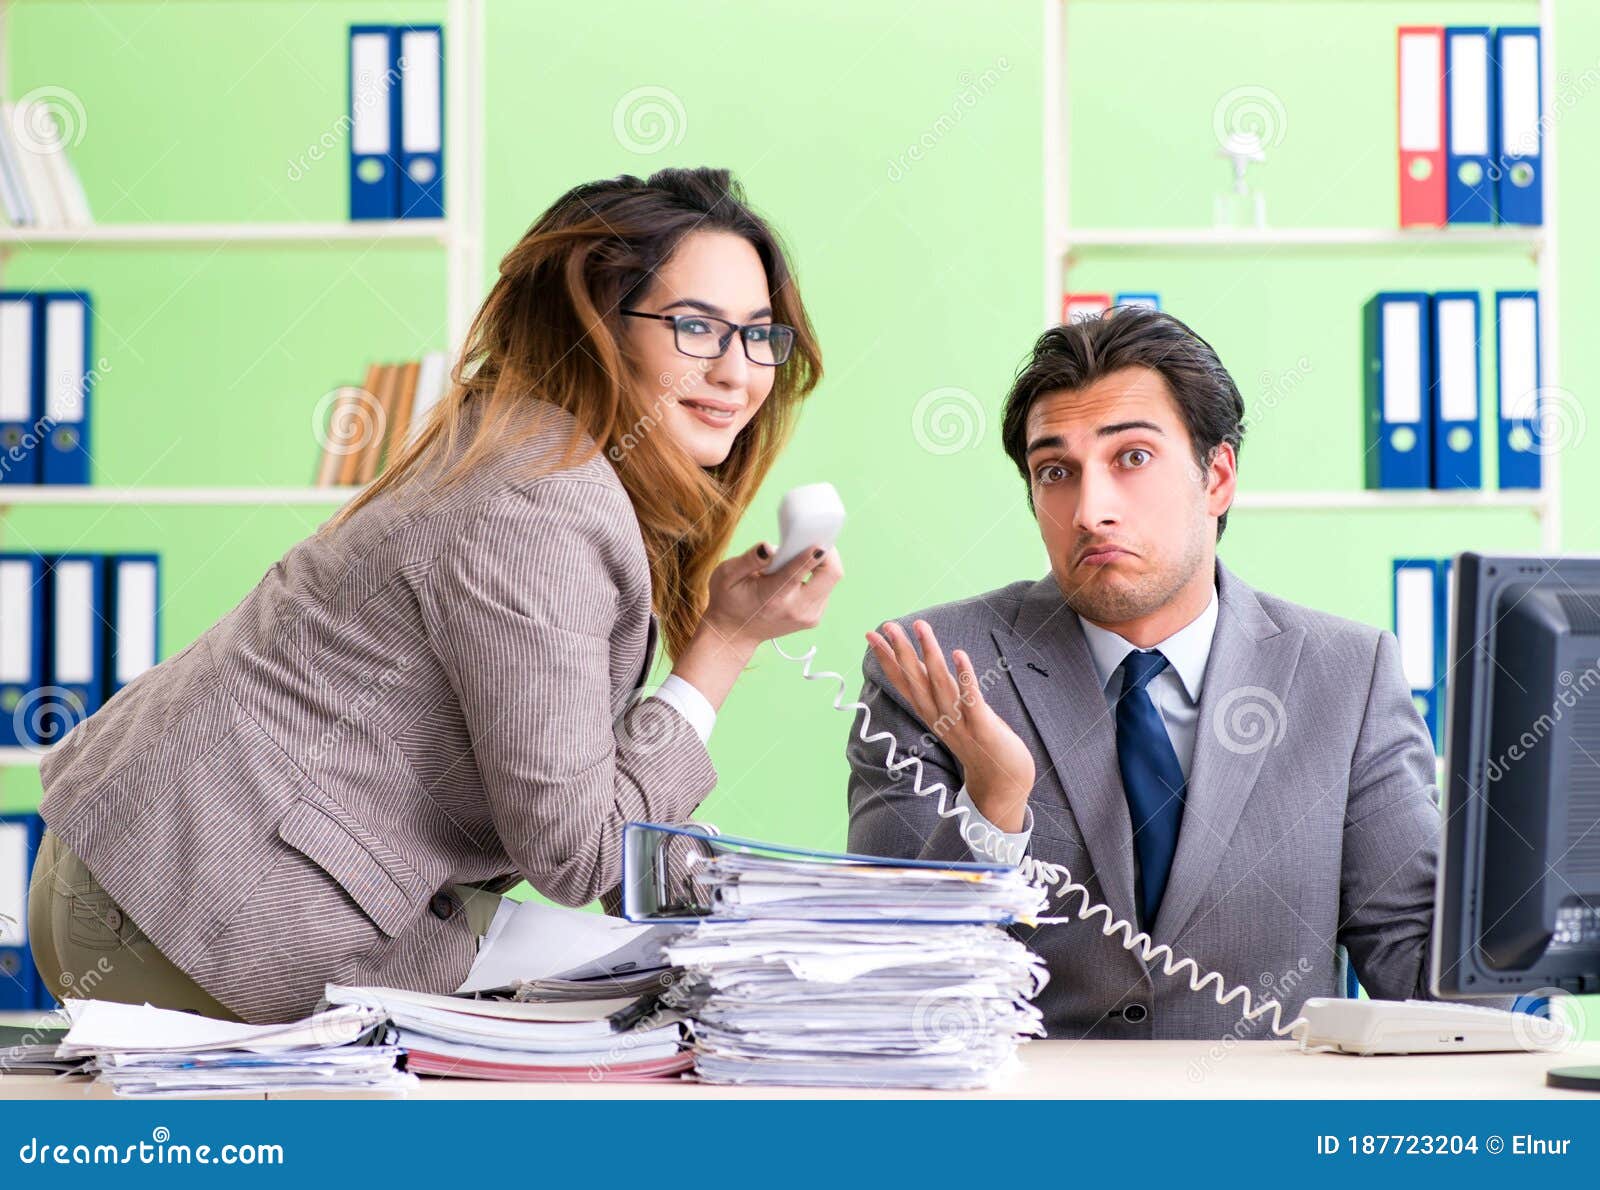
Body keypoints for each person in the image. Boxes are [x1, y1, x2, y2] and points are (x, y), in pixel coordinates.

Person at [30, 166, 841, 1024]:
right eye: (695, 327)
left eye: (760, 334)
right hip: (193, 909)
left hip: (145, 870)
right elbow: (581, 852)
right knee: (654, 1018)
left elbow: (577, 776)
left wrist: (738, 904)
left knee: (666, 992)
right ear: (597, 328)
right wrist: (723, 646)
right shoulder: (543, 502)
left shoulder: (531, 449)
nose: (737, 372)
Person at [845, 306, 1445, 1039]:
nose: (1090, 511)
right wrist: (992, 805)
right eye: (1055, 471)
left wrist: (1532, 860)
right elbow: (889, 987)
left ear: (1216, 478)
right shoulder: (932, 667)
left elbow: (1434, 992)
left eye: (1131, 458)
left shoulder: (1347, 677)